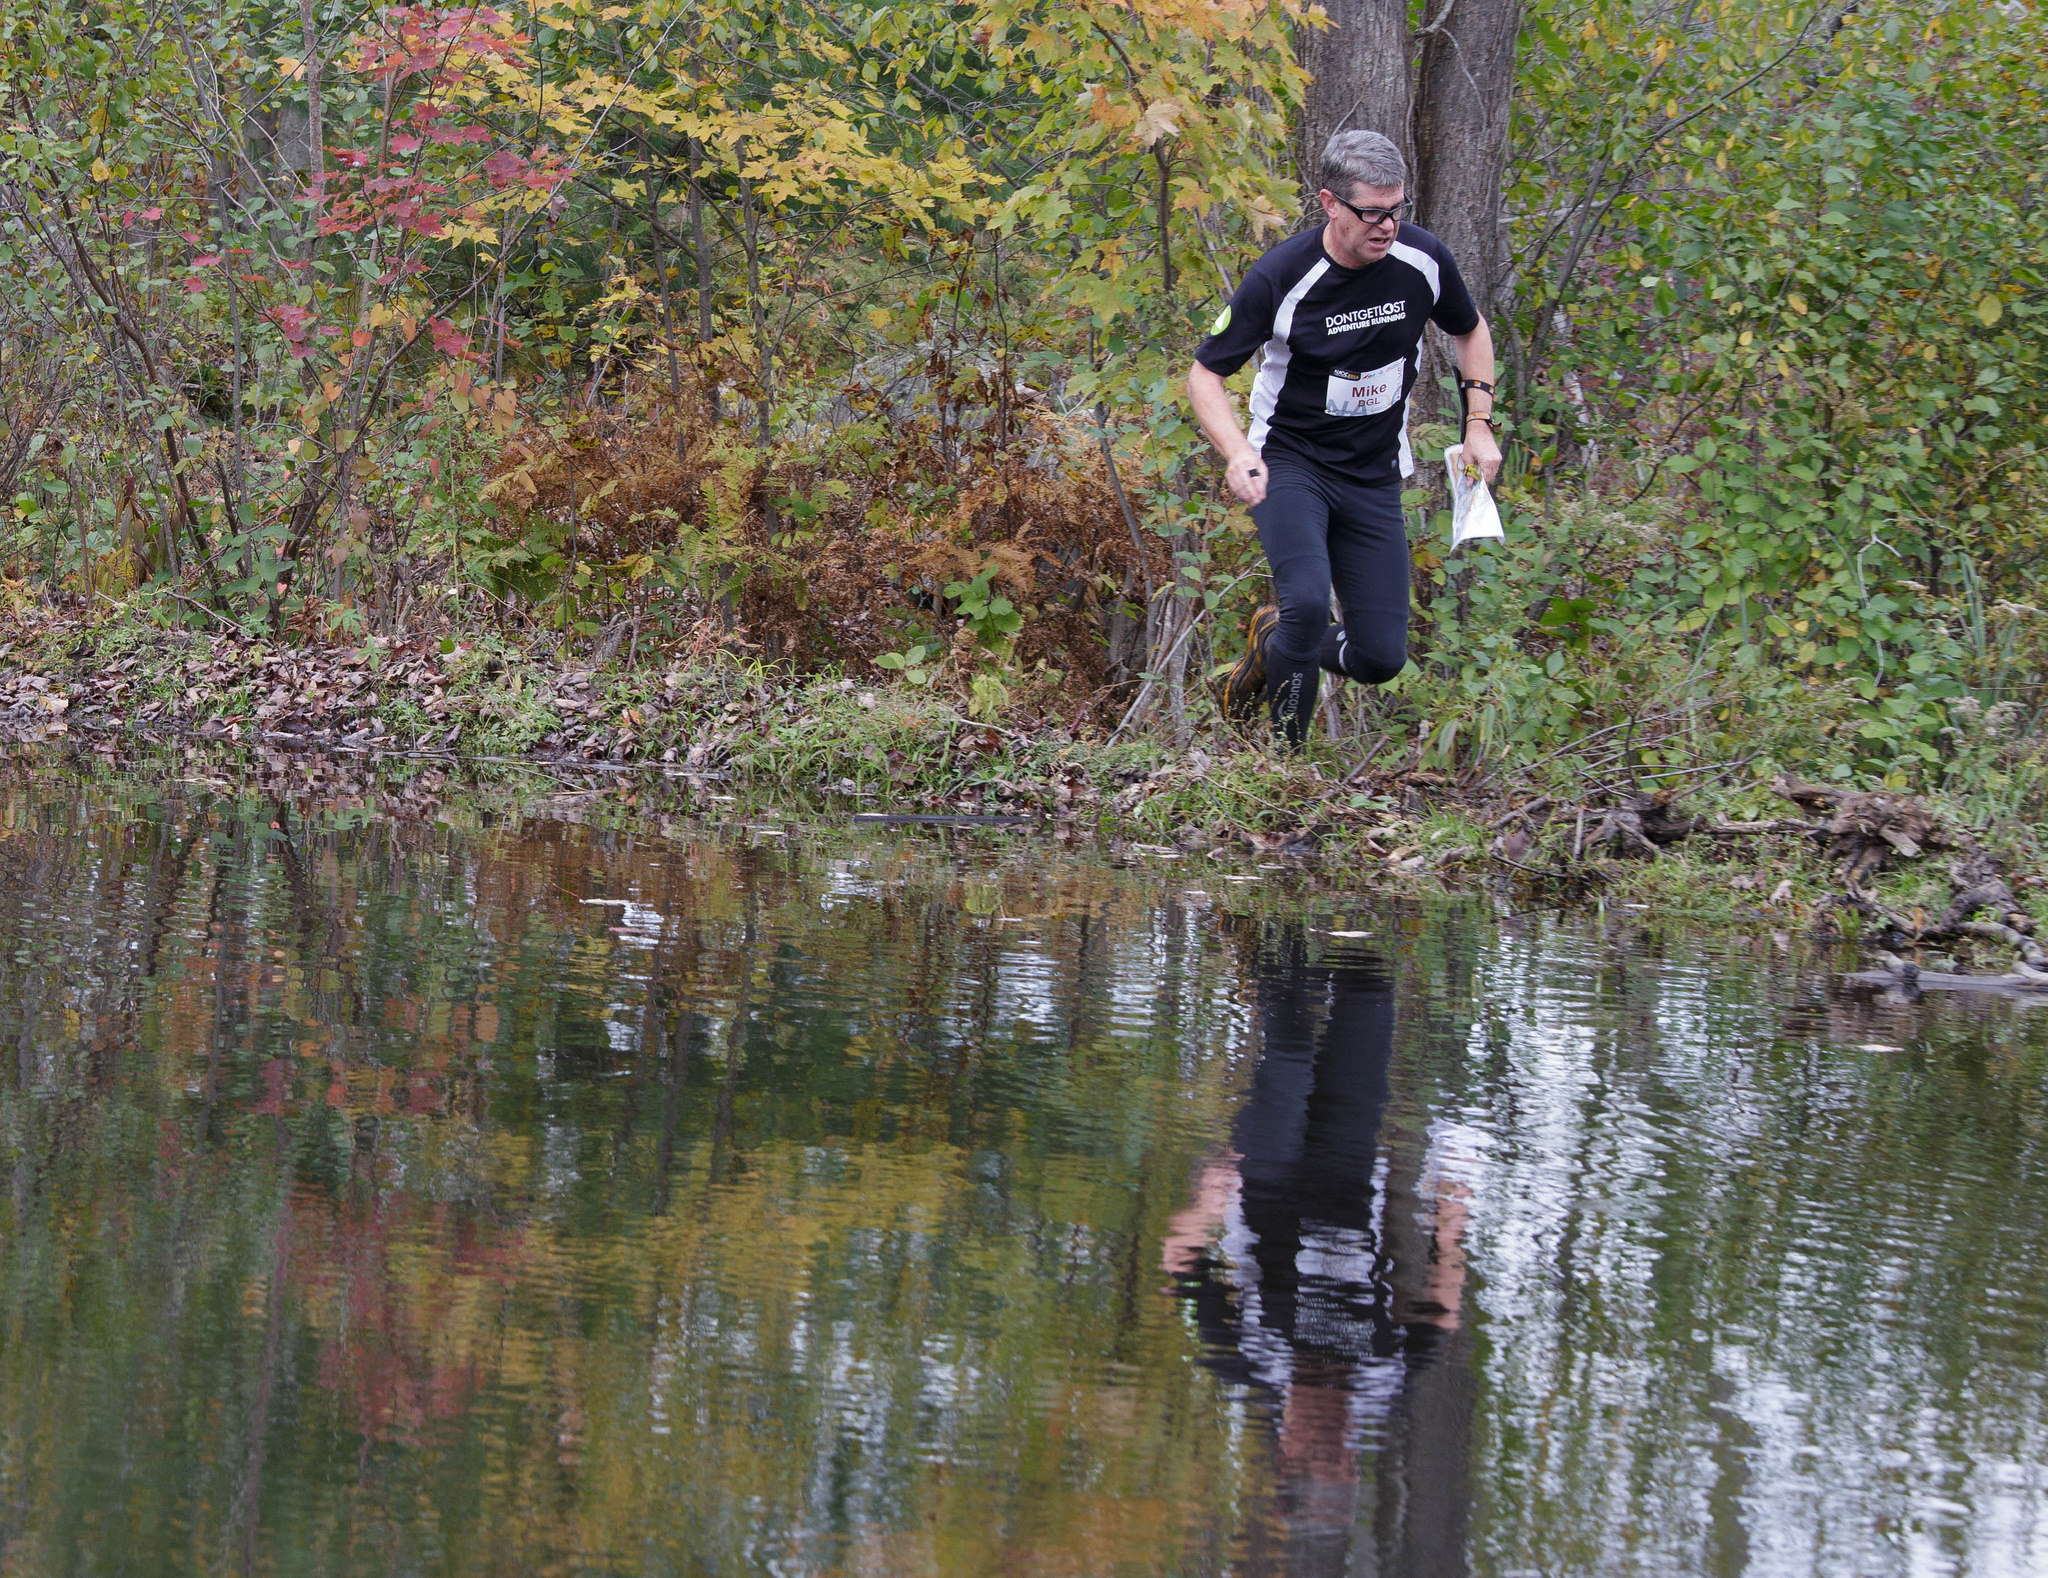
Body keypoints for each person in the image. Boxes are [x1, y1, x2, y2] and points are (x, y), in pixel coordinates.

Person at [1187, 129, 1503, 748]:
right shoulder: (1283, 276)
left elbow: (1471, 331)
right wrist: (1238, 452)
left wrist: (1478, 424)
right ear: (1330, 203)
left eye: (1396, 210)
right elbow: (1205, 374)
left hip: (1374, 471)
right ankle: (1285, 766)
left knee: (1381, 657)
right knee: (1306, 603)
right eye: (1371, 213)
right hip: (1291, 461)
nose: (1386, 227)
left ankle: (1271, 638)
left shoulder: (1423, 260)